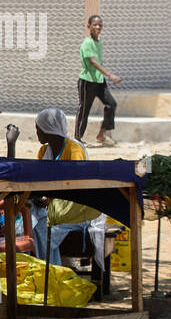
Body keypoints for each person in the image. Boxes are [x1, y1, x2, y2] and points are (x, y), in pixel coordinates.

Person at [30, 106, 94, 266]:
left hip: (76, 210)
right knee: (26, 223)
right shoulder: (44, 150)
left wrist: (50, 198)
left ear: (48, 129)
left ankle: (51, 275)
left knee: (43, 230)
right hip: (52, 208)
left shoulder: (74, 149)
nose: (37, 133)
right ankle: (47, 272)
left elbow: (76, 185)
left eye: (39, 129)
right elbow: (36, 180)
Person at [76, 14, 121, 145]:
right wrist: (110, 75)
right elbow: (93, 62)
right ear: (88, 26)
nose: (98, 27)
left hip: (99, 81)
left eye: (100, 25)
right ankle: (77, 139)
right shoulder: (87, 43)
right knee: (84, 110)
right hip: (87, 81)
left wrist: (104, 76)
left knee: (111, 104)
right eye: (95, 24)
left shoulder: (99, 43)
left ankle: (102, 133)